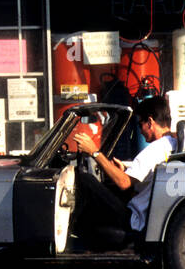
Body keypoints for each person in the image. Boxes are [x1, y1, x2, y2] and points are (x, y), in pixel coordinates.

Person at [71, 96, 177, 238]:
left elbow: (124, 183)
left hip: (134, 220)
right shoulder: (172, 144)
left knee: (83, 179)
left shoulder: (154, 150)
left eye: (140, 125)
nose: (140, 130)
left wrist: (94, 152)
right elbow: (145, 177)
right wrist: (125, 171)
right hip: (148, 216)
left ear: (150, 122)